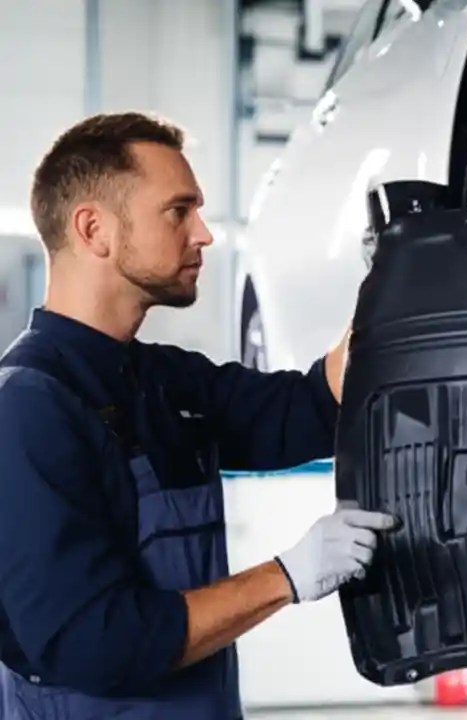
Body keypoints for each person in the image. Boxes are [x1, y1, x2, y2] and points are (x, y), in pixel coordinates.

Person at [0, 112, 398, 719]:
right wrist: (285, 577)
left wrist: (392, 287)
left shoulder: (166, 382)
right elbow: (94, 643)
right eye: (178, 211)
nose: (204, 234)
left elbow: (314, 407)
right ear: (93, 229)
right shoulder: (27, 409)